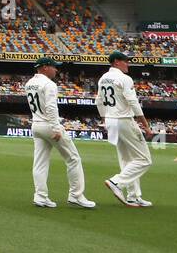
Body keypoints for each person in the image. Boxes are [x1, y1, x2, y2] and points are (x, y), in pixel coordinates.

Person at [24, 57, 93, 208]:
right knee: (73, 158)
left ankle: (40, 197)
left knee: (40, 162)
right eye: (54, 67)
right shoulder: (49, 84)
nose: (56, 70)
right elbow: (51, 108)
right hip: (49, 125)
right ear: (45, 67)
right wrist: (56, 128)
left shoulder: (29, 83)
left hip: (36, 124)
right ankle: (76, 195)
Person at [96, 51, 153, 207]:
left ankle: (133, 196)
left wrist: (105, 120)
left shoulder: (102, 79)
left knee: (127, 160)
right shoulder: (124, 78)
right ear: (116, 62)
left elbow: (98, 101)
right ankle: (116, 182)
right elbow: (133, 102)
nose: (127, 64)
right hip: (124, 120)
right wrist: (146, 125)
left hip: (111, 120)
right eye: (125, 61)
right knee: (144, 160)